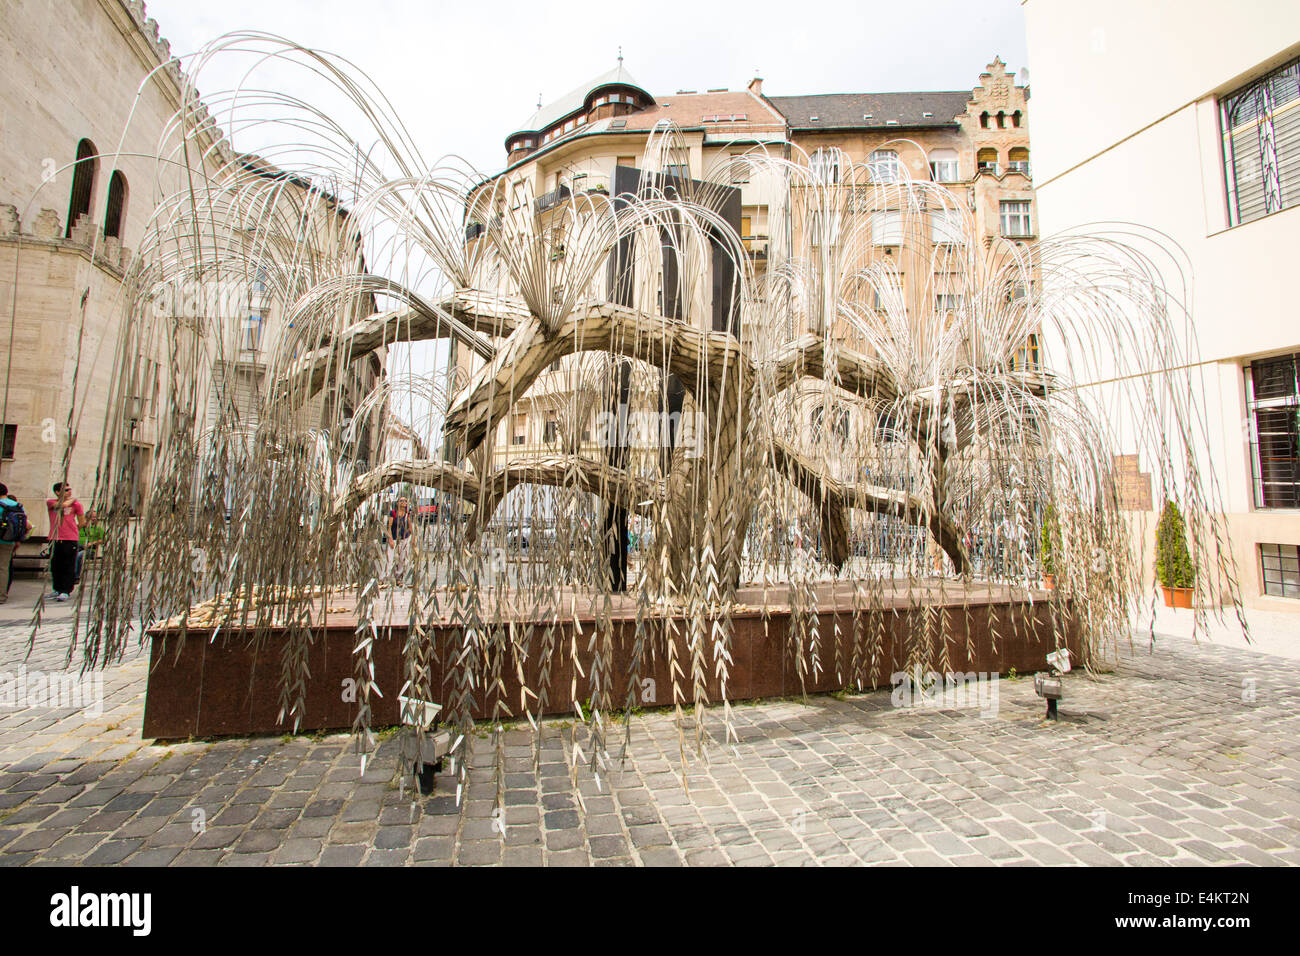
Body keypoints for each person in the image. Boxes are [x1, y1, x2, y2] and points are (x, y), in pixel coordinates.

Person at [46, 481, 84, 601]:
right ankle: (57, 588)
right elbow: (60, 506)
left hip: (69, 539)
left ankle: (66, 590)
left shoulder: (76, 505)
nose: (69, 492)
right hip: (55, 537)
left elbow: (81, 521)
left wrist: (72, 530)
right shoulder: (51, 502)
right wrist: (71, 500)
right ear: (58, 492)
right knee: (56, 564)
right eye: (66, 490)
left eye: (69, 489)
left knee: (68, 564)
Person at [0, 482, 29, 603]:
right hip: (9, 540)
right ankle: (2, 596)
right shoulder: (18, 505)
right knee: (3, 568)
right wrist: (18, 539)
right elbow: (26, 525)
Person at [385, 496, 412, 584]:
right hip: (394, 538)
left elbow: (410, 525)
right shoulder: (393, 513)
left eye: (405, 500)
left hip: (404, 538)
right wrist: (390, 539)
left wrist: (412, 538)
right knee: (390, 557)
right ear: (397, 503)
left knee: (402, 558)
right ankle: (386, 578)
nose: (403, 502)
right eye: (401, 501)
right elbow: (389, 526)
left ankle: (398, 578)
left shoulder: (407, 513)